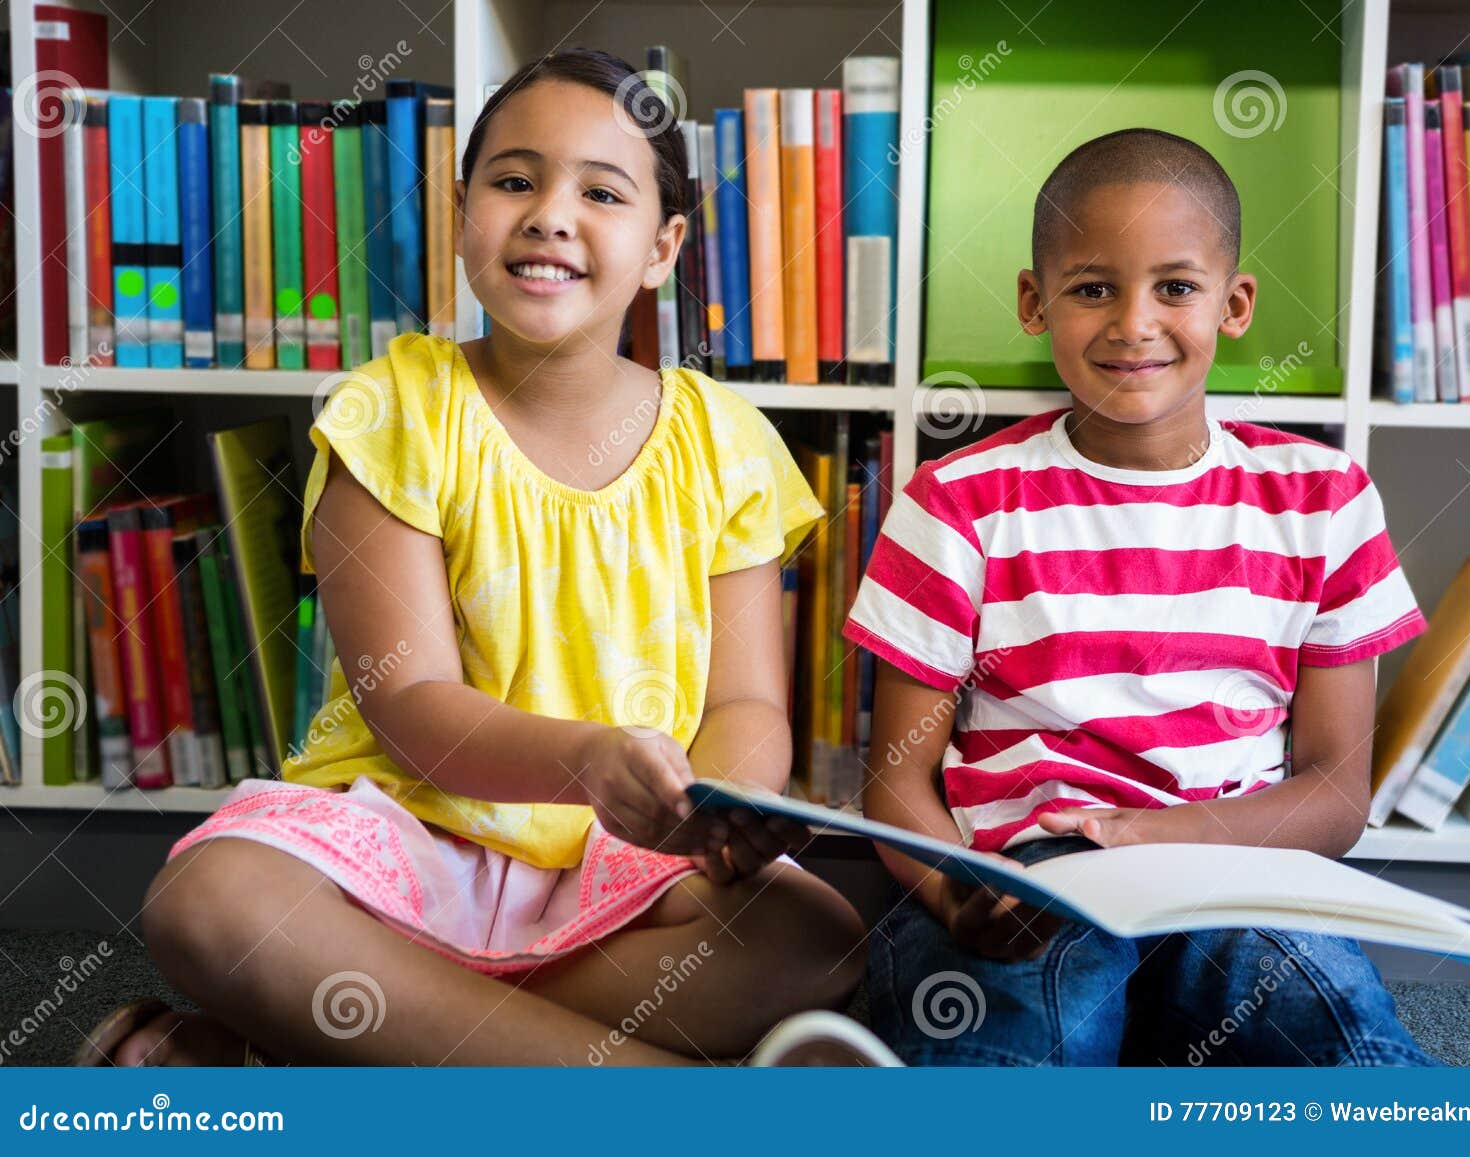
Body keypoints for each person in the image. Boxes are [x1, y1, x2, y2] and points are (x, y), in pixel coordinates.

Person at [81, 48, 876, 1067]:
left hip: (623, 845)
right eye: (513, 181)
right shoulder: (394, 407)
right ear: (462, 213)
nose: (549, 213)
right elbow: (410, 704)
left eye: (600, 190)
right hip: (414, 824)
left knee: (814, 942)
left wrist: (709, 814)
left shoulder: (725, 440)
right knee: (210, 899)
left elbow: (747, 706)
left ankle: (350, 1040)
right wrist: (585, 758)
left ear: (663, 246)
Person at [844, 128, 1442, 1067]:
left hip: (1237, 865)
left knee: (1336, 1031)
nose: (1133, 322)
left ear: (1233, 304)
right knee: (1013, 1039)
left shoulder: (1325, 500)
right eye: (1092, 287)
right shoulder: (956, 502)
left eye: (1175, 286)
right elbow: (894, 778)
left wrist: (1161, 835)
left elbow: (1335, 791)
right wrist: (956, 888)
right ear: (1034, 303)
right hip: (1035, 870)